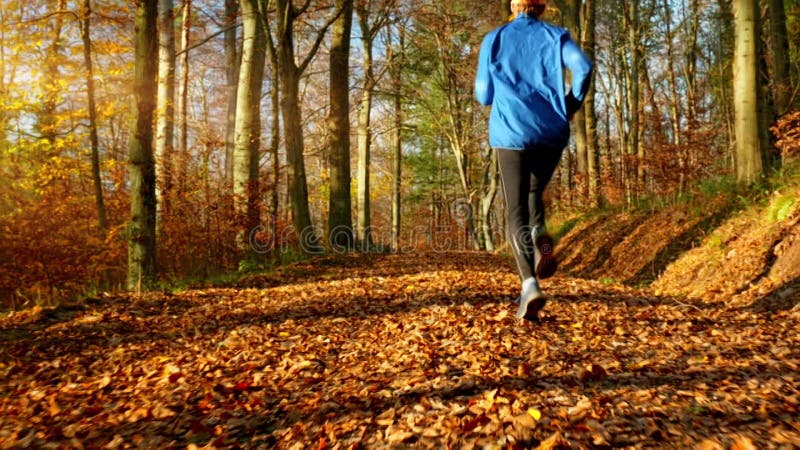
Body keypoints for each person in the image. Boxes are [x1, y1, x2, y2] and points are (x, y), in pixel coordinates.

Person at [475, 0, 593, 321]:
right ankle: (542, 239)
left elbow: (483, 94)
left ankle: (529, 284)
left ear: (514, 6)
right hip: (551, 132)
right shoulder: (557, 37)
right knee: (534, 192)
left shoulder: (495, 39)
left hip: (511, 133)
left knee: (515, 210)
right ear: (541, 7)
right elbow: (583, 68)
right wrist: (569, 106)